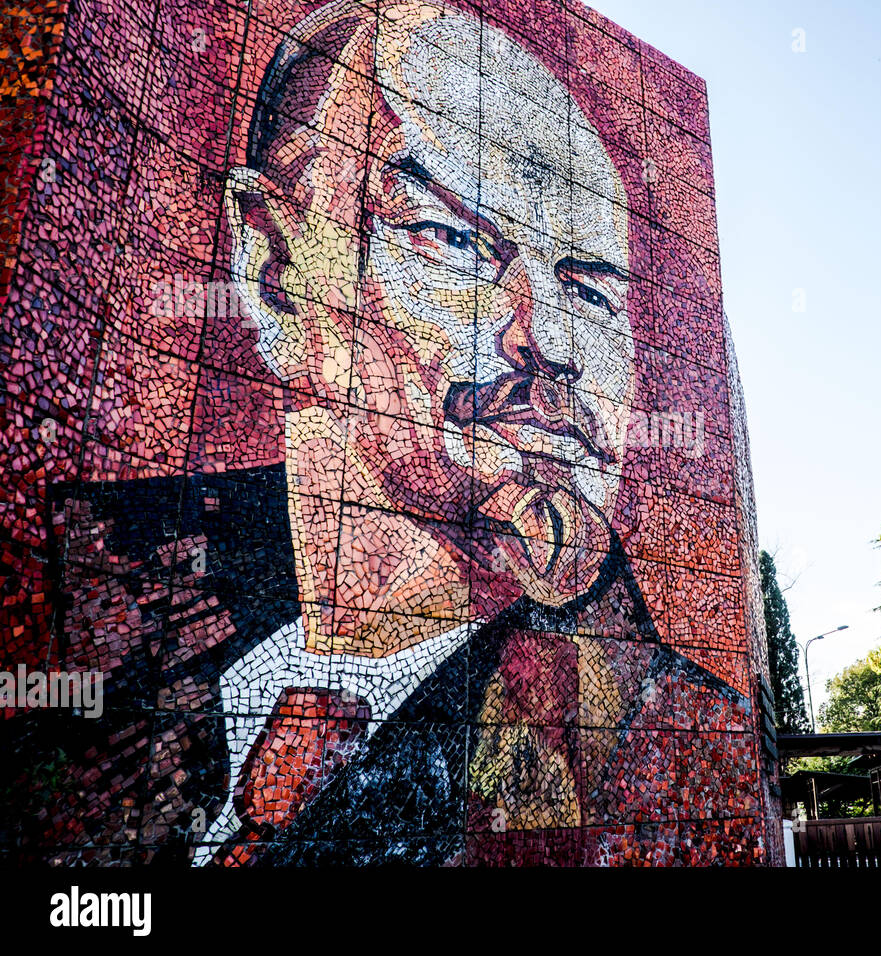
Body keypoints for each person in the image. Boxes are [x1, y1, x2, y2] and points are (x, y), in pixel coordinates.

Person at [170, 0, 747, 864]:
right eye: (454, 239)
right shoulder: (91, 594)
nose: (549, 343)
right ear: (278, 268)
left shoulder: (675, 738)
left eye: (591, 293)